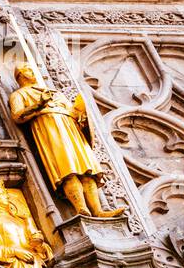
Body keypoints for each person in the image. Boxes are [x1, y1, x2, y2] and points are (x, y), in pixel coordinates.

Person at [8, 61, 124, 219]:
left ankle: (98, 210)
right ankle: (81, 208)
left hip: (71, 130)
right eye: (29, 69)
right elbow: (17, 116)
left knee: (87, 170)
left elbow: (73, 112)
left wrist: (81, 113)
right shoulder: (19, 94)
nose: (33, 71)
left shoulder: (54, 92)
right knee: (67, 170)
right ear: (20, 75)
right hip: (50, 131)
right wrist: (39, 104)